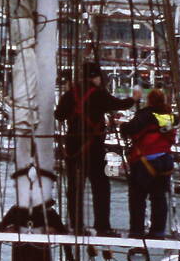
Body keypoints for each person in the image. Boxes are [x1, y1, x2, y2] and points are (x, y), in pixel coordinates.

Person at [55, 62, 135, 236]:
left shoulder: (71, 94)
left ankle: (76, 225)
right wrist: (134, 99)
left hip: (72, 144)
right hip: (93, 145)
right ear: (95, 77)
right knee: (100, 186)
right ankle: (102, 227)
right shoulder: (98, 94)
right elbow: (119, 105)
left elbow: (58, 115)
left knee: (75, 187)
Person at [121, 88, 178, 239]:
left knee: (137, 197)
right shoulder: (169, 116)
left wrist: (122, 126)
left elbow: (130, 129)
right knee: (159, 197)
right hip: (165, 160)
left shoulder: (145, 115)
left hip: (146, 160)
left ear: (150, 100)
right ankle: (158, 231)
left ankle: (137, 231)